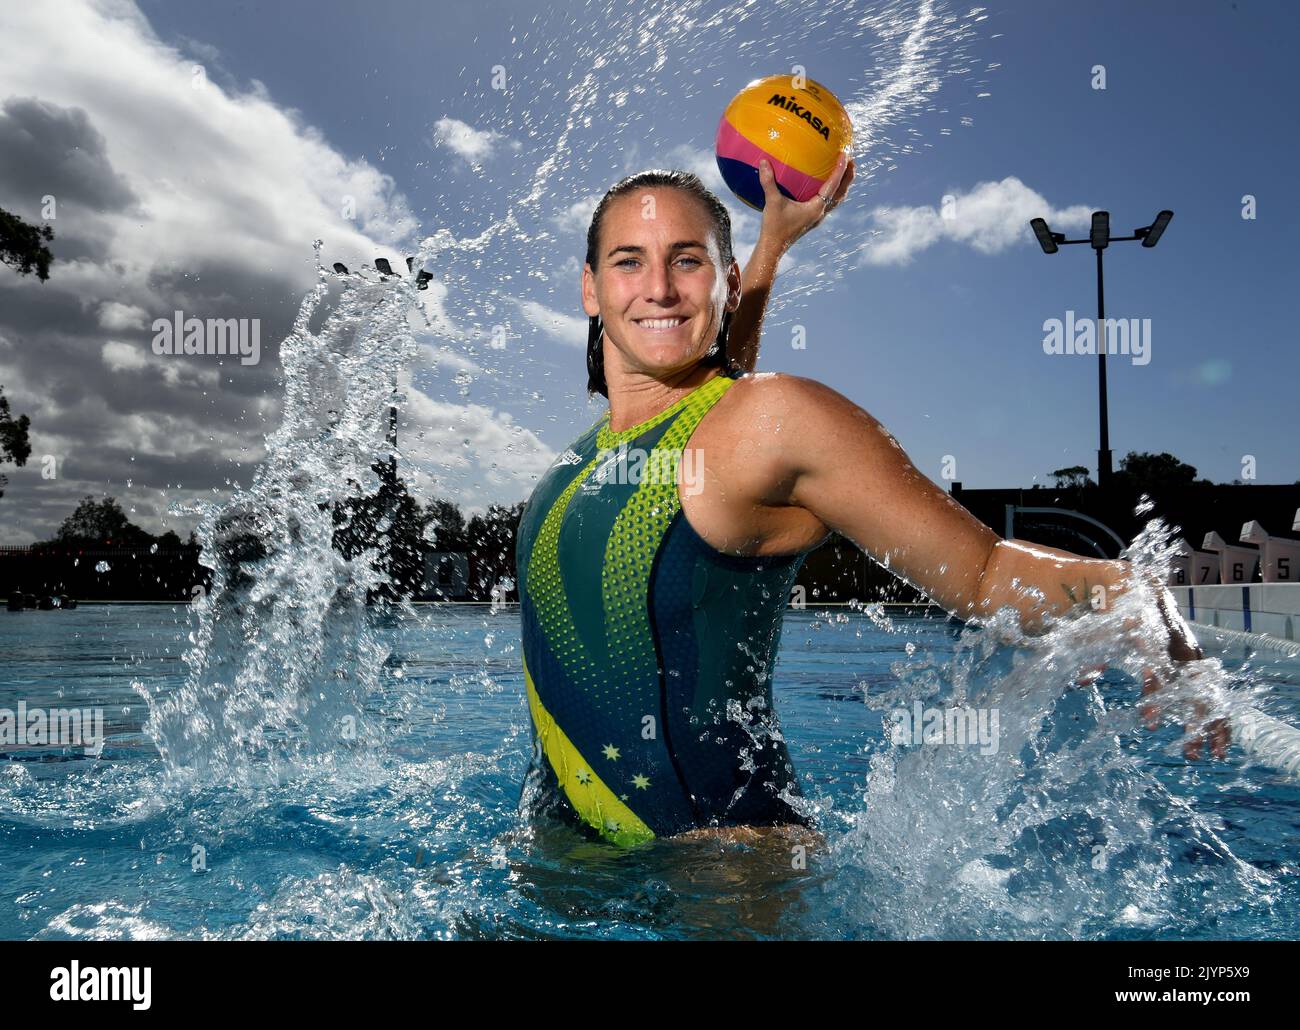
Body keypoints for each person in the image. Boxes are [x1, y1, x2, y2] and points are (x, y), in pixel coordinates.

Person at [514, 154, 1227, 848]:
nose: (660, 288)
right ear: (590, 287)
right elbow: (714, 400)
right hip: (567, 852)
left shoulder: (779, 419)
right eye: (629, 260)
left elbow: (980, 572)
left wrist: (1128, 594)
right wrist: (773, 241)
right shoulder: (586, 463)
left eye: (688, 260)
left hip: (725, 866)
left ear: (723, 283)